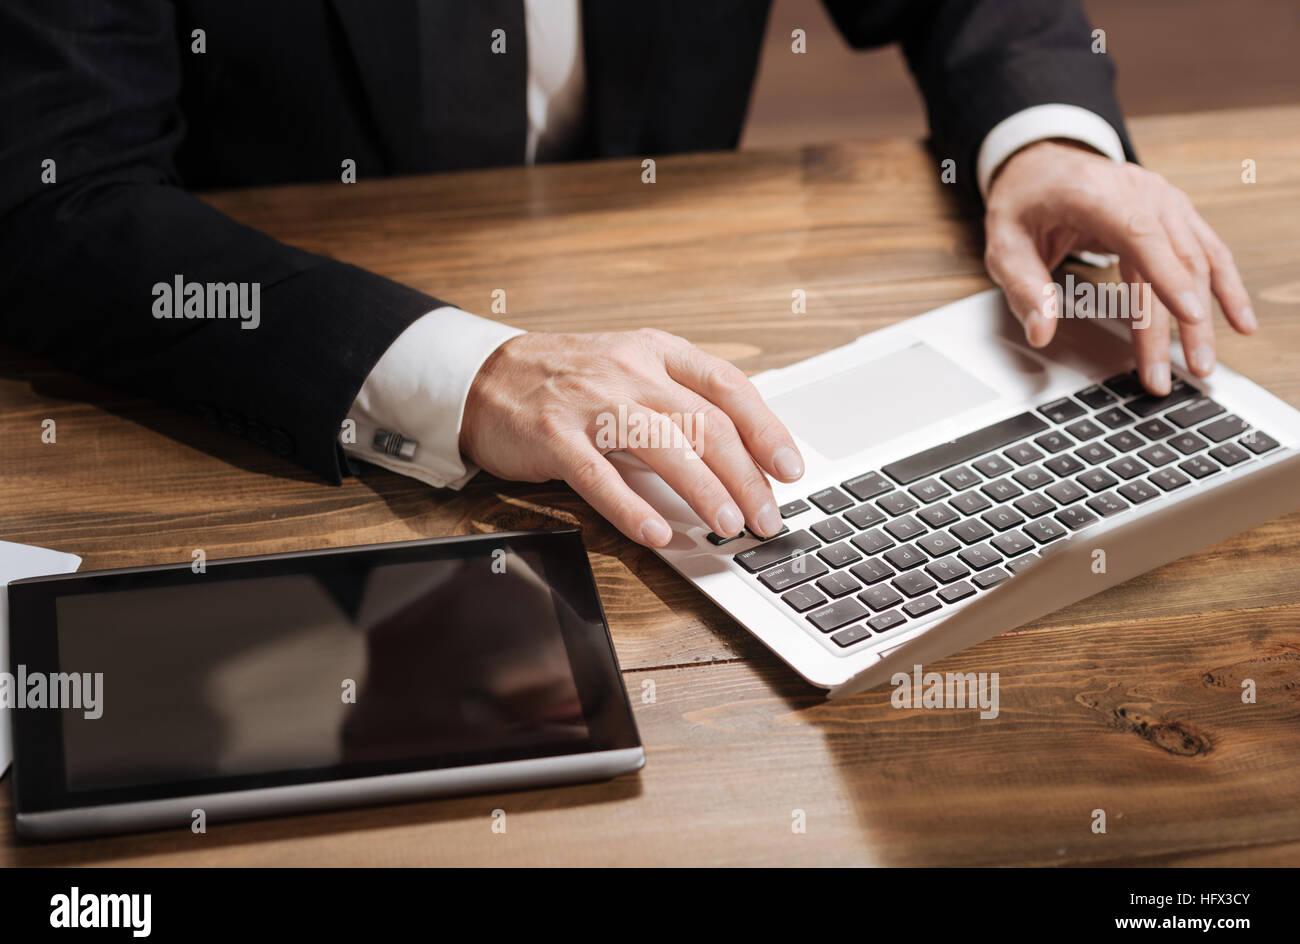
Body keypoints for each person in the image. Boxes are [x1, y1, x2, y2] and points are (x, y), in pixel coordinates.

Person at [0, 1, 1255, 549]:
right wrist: (470, 371)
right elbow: (61, 198)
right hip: (262, 407)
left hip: (692, 315)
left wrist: (1039, 137)